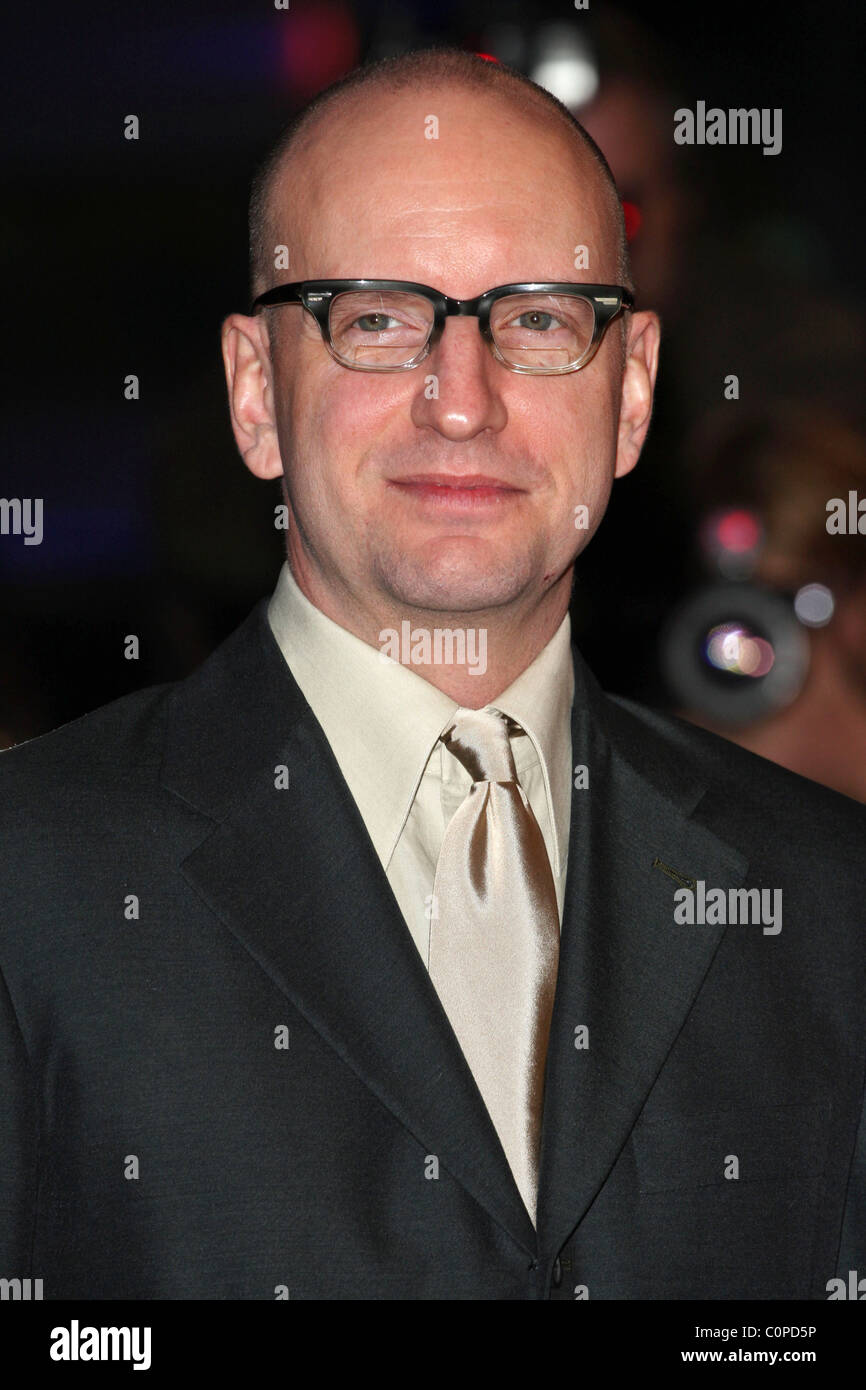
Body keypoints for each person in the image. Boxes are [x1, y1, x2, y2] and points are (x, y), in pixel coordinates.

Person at [0, 48, 863, 1302]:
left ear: (629, 396)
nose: (460, 400)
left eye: (535, 320)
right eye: (377, 318)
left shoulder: (827, 898)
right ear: (254, 392)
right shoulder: (31, 890)